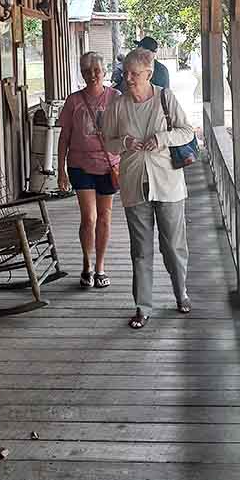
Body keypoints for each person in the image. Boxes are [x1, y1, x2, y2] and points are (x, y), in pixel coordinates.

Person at [102, 47, 194, 329]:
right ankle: (142, 307)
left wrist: (162, 137)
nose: (128, 78)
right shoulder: (118, 105)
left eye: (134, 73)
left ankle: (181, 294)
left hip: (168, 183)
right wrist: (124, 144)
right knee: (140, 250)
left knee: (173, 246)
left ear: (149, 73)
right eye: (126, 73)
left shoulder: (165, 98)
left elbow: (187, 130)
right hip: (134, 184)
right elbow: (108, 142)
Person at [57, 51, 120, 289]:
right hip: (79, 165)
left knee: (104, 217)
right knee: (89, 217)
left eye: (96, 70)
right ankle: (87, 264)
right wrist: (61, 170)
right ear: (82, 74)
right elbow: (64, 137)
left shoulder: (116, 97)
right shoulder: (73, 101)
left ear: (104, 72)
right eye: (87, 71)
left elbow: (126, 130)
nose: (92, 75)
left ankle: (100, 266)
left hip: (108, 165)